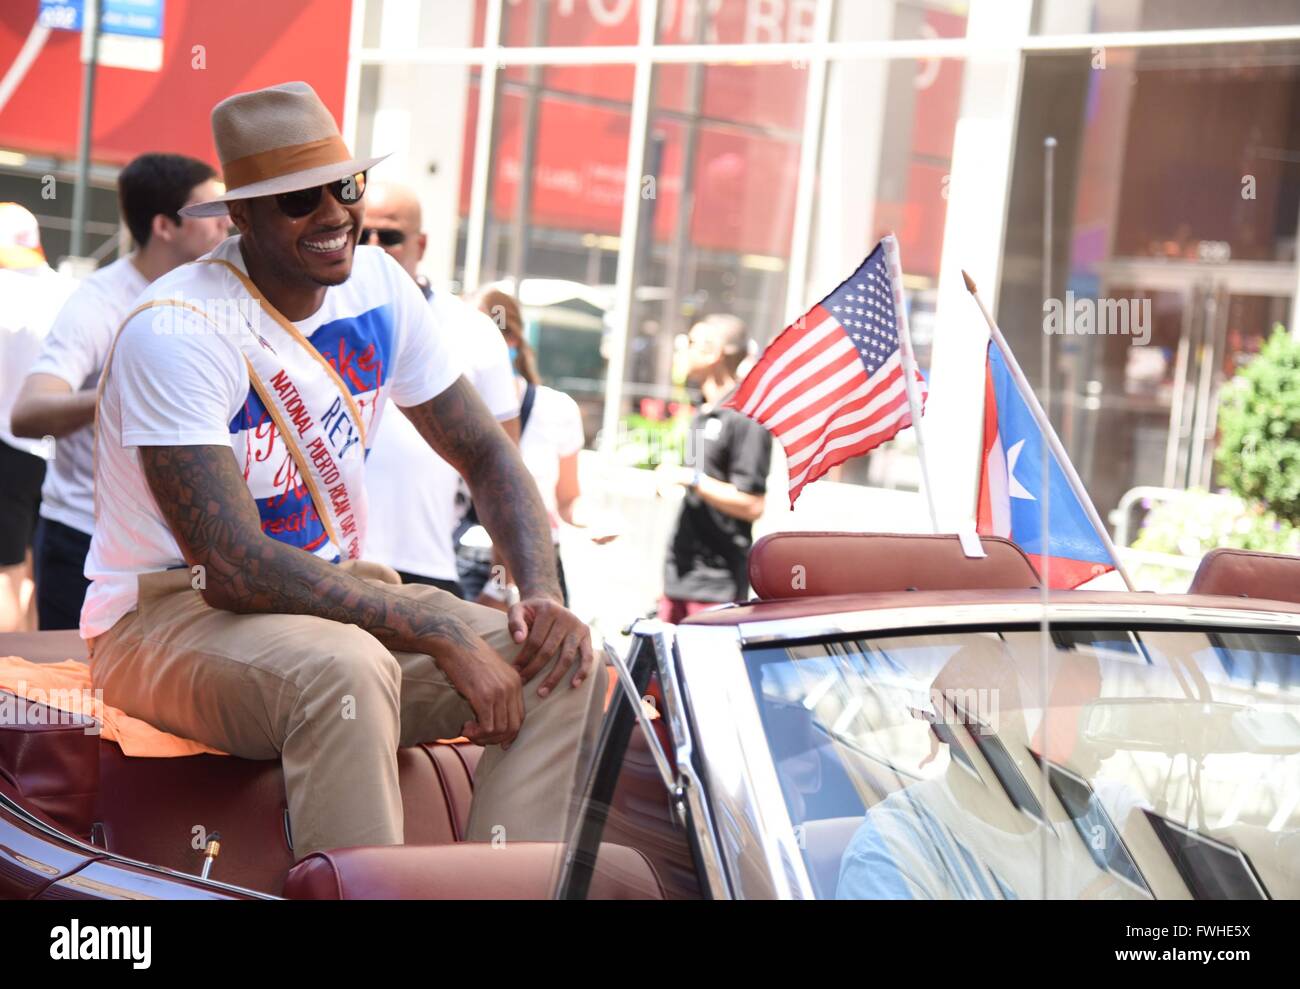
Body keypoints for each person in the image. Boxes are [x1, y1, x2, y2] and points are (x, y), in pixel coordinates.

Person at [82, 81, 606, 861]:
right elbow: (228, 566)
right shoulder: (178, 329)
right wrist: (432, 625)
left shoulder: (378, 284)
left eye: (345, 186)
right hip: (162, 619)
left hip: (330, 603)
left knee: (565, 667)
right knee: (348, 670)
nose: (333, 214)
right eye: (298, 199)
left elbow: (488, 452)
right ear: (242, 216)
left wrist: (541, 593)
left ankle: (500, 884)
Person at [10, 154, 228, 630]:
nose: (227, 222)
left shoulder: (219, 293)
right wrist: (127, 391)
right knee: (85, 698)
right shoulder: (98, 301)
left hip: (180, 550)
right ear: (164, 227)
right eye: (210, 212)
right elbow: (27, 413)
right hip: (88, 545)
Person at [358, 181, 519, 596]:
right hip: (327, 564)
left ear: (421, 244)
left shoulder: (473, 330)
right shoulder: (310, 314)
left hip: (427, 569)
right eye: (361, 234)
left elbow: (505, 466)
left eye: (390, 236)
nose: (374, 247)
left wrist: (501, 587)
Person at [465, 286, 617, 607]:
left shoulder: (555, 408)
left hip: (536, 567)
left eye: (488, 338)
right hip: (466, 565)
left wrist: (594, 520)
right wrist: (496, 586)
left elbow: (567, 498)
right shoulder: (440, 412)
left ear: (512, 342)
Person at [657, 314, 772, 623]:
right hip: (679, 573)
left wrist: (690, 478)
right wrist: (674, 480)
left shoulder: (746, 415)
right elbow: (696, 477)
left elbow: (752, 504)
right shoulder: (701, 410)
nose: (681, 350)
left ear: (713, 352)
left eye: (690, 343)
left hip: (716, 585)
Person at [0, 204, 77, 632]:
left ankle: (8, 676)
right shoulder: (67, 291)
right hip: (58, 449)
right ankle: (34, 671)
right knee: (31, 569)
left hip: (8, 447)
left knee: (6, 571)